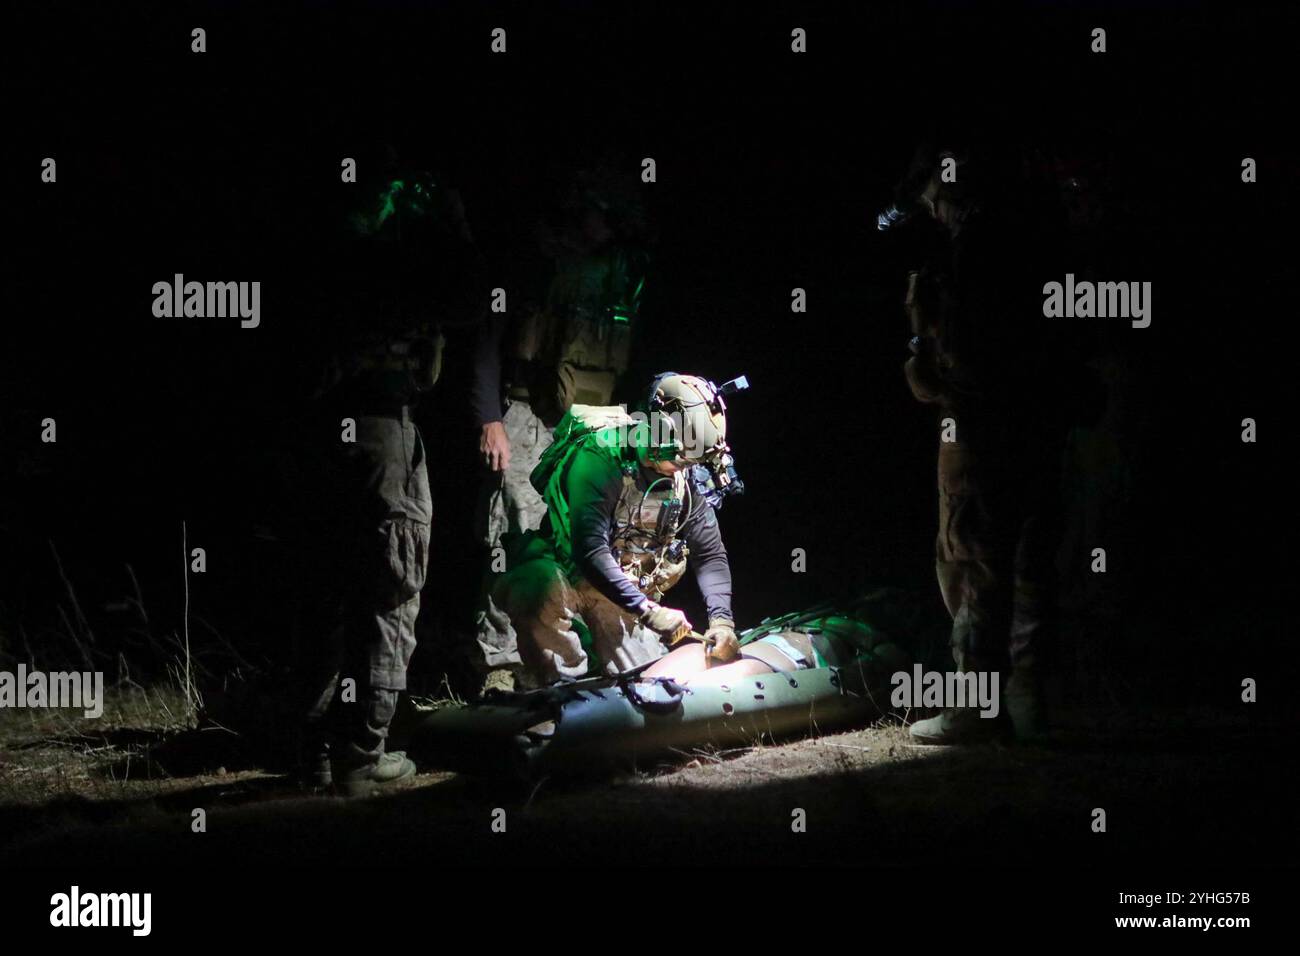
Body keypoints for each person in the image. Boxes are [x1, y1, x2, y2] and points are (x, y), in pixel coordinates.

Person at [290, 151, 485, 795]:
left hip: (325, 434)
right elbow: (470, 296)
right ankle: (361, 756)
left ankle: (316, 752)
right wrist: (451, 226)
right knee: (393, 587)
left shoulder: (333, 254)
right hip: (381, 427)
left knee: (328, 590)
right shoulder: (402, 258)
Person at [883, 146, 1075, 745]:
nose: (931, 215)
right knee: (1029, 562)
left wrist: (921, 353)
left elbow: (952, 370)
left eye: (933, 204)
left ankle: (974, 707)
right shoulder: (1041, 239)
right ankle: (1029, 703)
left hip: (977, 433)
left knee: (971, 564)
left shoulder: (968, 259)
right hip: (1041, 428)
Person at [471, 176, 650, 692]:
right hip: (528, 415)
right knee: (515, 538)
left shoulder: (624, 273)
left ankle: (576, 660)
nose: (604, 228)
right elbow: (488, 339)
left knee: (591, 538)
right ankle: (503, 667)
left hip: (593, 422)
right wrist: (490, 419)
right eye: (598, 215)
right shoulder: (534, 264)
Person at [480, 373, 745, 686]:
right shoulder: (599, 458)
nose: (683, 466)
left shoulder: (686, 480)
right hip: (570, 571)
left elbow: (709, 552)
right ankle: (560, 683)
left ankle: (594, 656)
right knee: (535, 587)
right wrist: (648, 610)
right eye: (679, 455)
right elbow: (589, 549)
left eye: (691, 458)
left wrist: (721, 621)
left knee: (646, 681)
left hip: (623, 588)